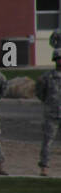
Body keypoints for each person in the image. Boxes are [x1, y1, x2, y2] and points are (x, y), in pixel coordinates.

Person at [37, 48, 61, 176]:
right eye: (58, 59)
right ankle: (44, 166)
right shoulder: (47, 77)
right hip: (52, 113)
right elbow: (40, 93)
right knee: (48, 141)